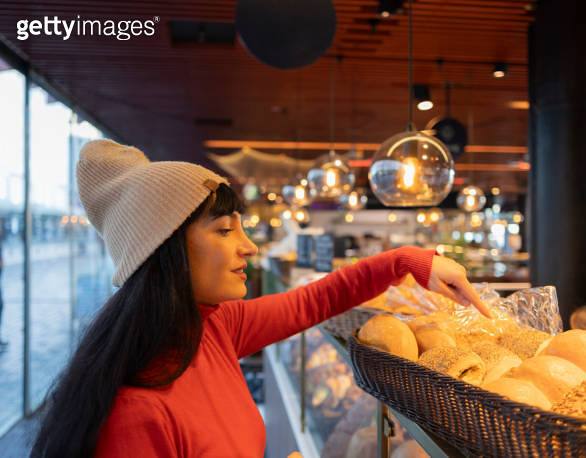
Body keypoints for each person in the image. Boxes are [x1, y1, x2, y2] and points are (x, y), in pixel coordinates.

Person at [31, 139, 489, 458]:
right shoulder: (134, 413)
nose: (249, 246)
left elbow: (317, 301)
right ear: (165, 251)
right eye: (225, 230)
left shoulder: (213, 327)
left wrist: (411, 261)